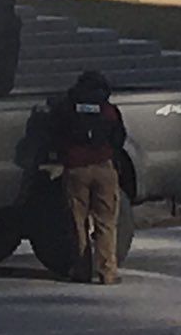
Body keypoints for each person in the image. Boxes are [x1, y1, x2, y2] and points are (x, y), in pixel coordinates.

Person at [49, 71, 126, 285]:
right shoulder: (108, 110)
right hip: (104, 168)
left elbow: (55, 133)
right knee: (106, 222)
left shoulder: (67, 108)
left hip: (76, 169)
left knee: (77, 221)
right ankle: (107, 272)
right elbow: (119, 137)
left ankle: (81, 269)